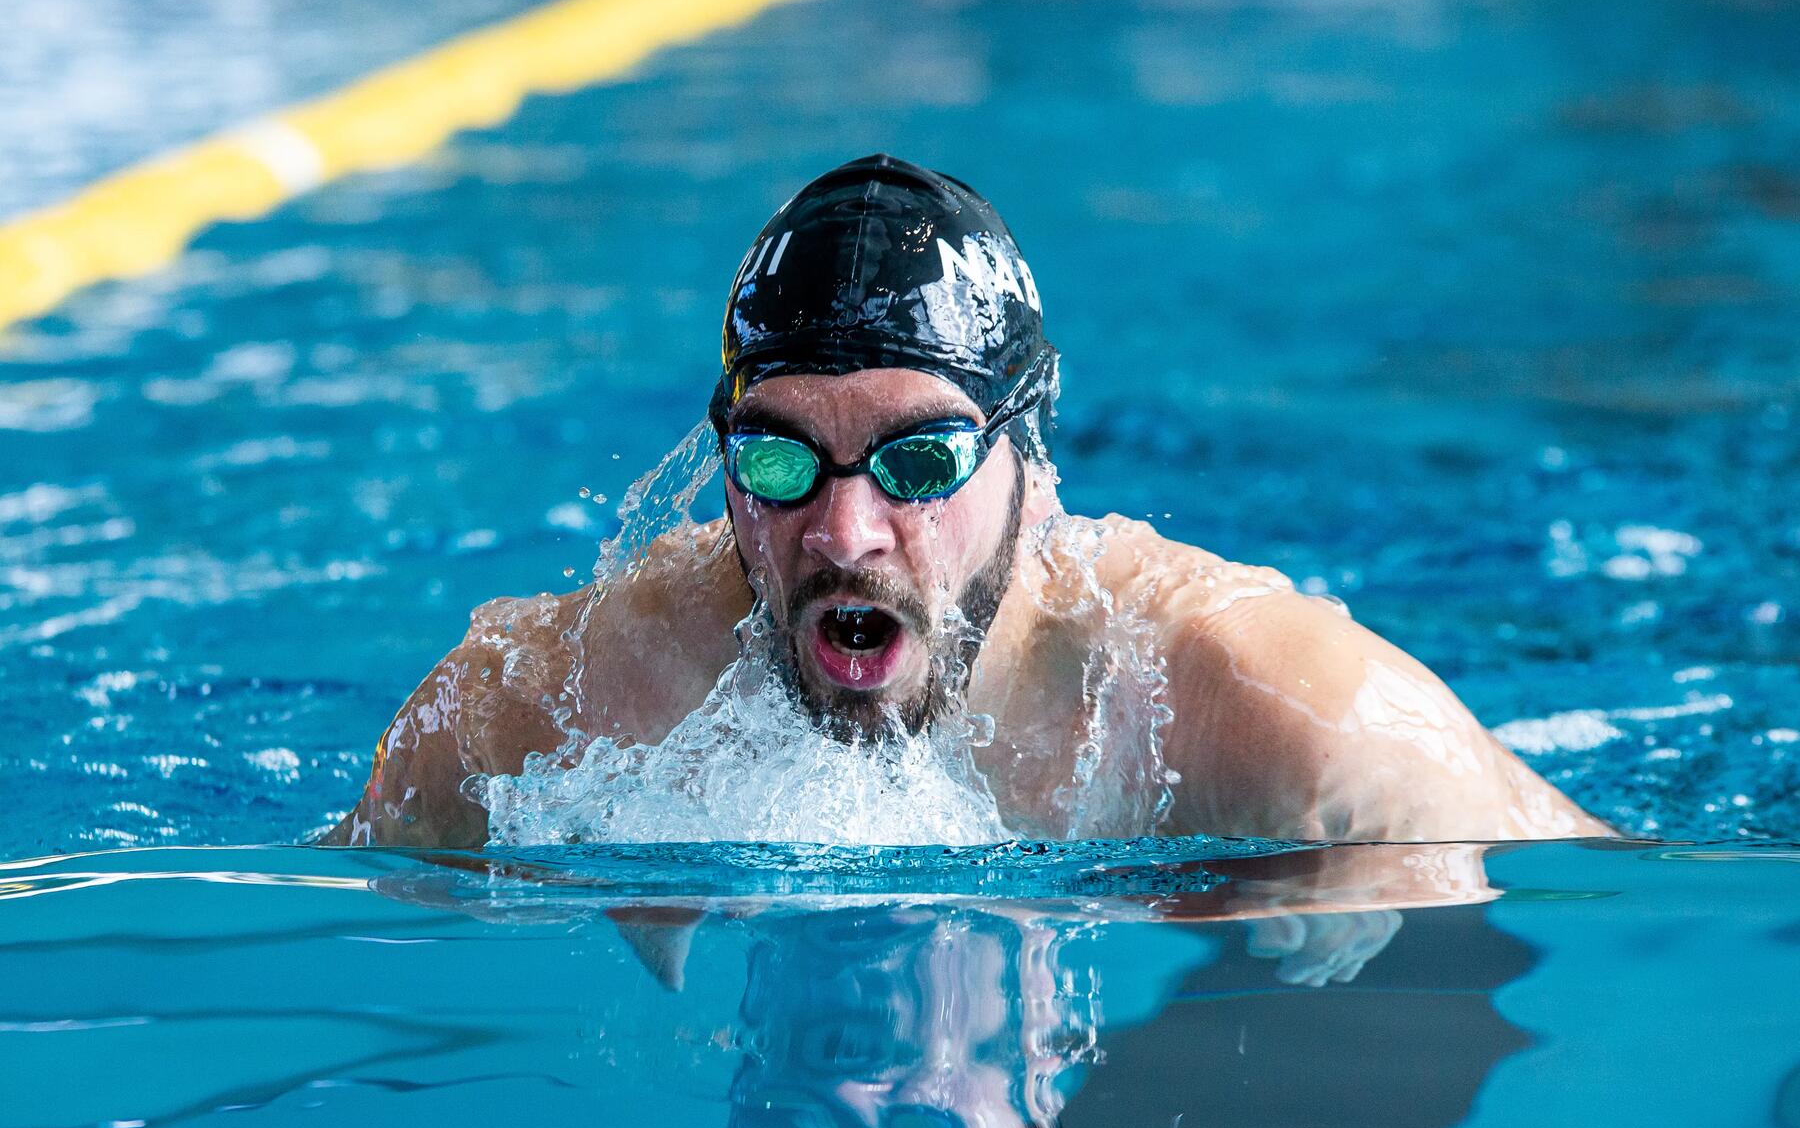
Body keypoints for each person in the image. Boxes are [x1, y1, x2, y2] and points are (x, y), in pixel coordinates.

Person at [324, 154, 1613, 850]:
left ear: (1031, 472)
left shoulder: (1266, 709)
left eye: (920, 462)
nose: (842, 531)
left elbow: (1597, 884)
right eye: (778, 461)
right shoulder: (557, 698)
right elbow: (347, 881)